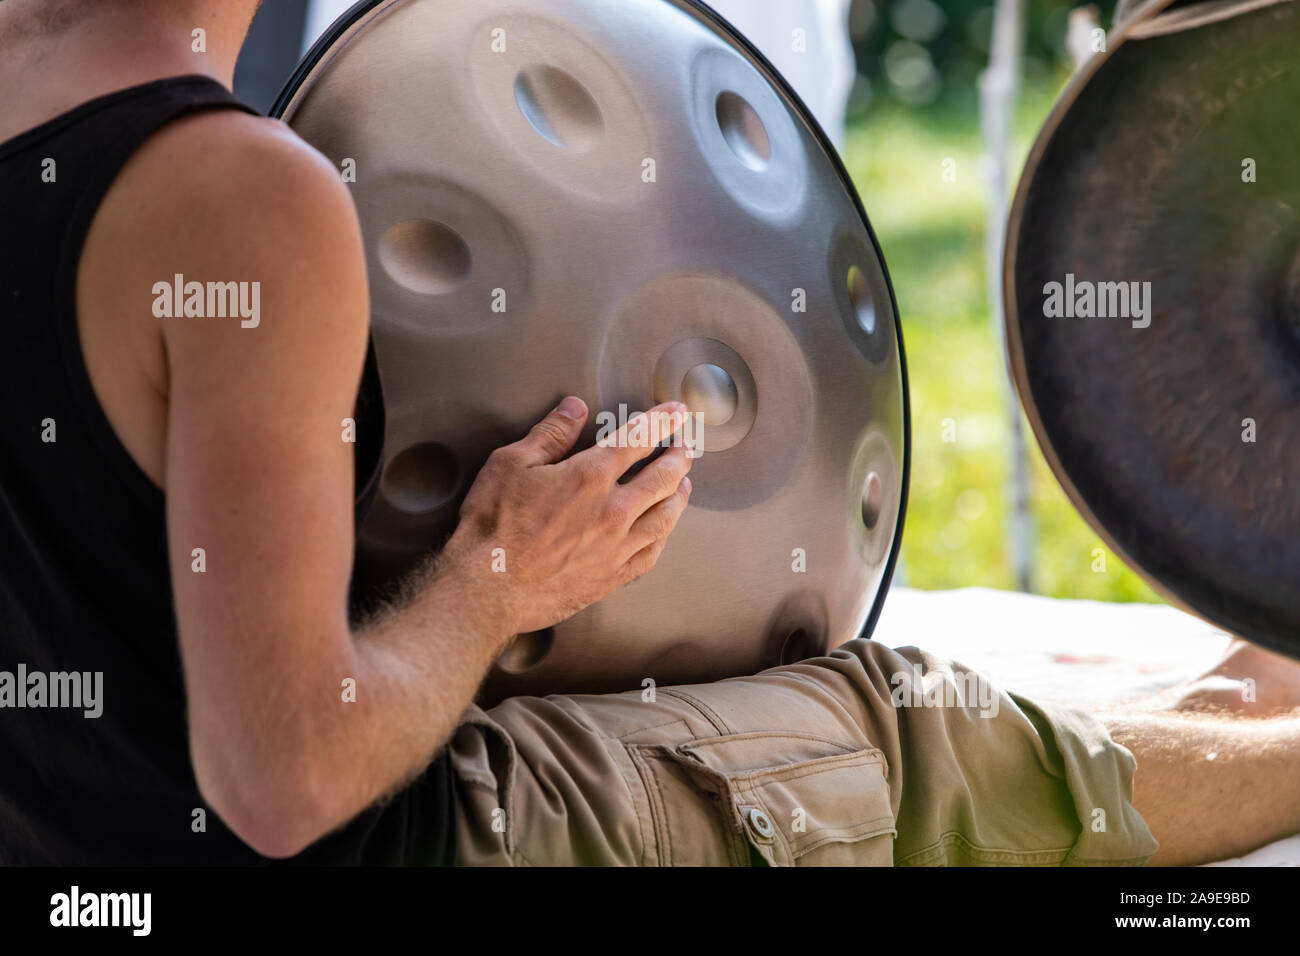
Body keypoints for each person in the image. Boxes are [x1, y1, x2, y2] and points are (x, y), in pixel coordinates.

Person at [1, 0, 1297, 866]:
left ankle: (1243, 688)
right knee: (914, 743)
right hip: (414, 842)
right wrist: (496, 576)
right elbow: (281, 780)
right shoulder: (234, 197)